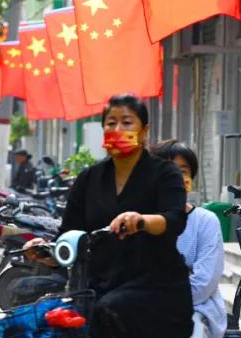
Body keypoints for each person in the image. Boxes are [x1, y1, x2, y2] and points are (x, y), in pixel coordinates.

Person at [52, 95, 192, 337]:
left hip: (156, 290)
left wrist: (141, 221)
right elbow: (70, 233)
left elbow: (174, 220)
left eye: (127, 122)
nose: (117, 129)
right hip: (102, 287)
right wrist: (47, 252)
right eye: (111, 123)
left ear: (144, 130)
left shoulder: (165, 173)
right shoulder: (89, 179)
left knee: (112, 308)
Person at [152, 139, 226, 338]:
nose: (176, 177)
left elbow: (204, 282)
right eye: (169, 170)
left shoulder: (206, 222)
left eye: (183, 171)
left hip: (198, 312)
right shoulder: (142, 220)